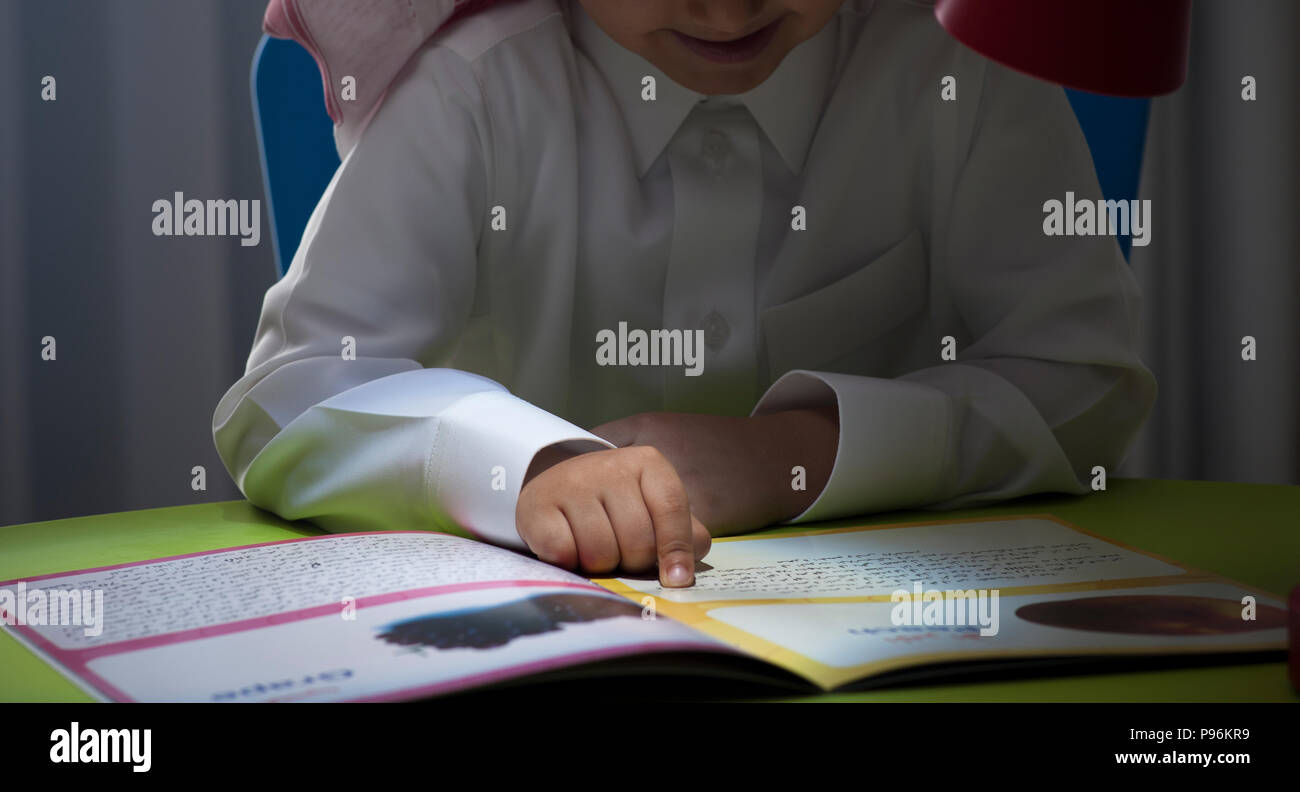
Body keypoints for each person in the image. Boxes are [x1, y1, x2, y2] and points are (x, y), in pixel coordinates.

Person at [213, 0, 1157, 589]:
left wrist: (794, 453)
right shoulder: (472, 89)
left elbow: (1085, 380)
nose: (728, 7)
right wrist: (528, 468)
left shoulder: (954, 75)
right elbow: (290, 393)